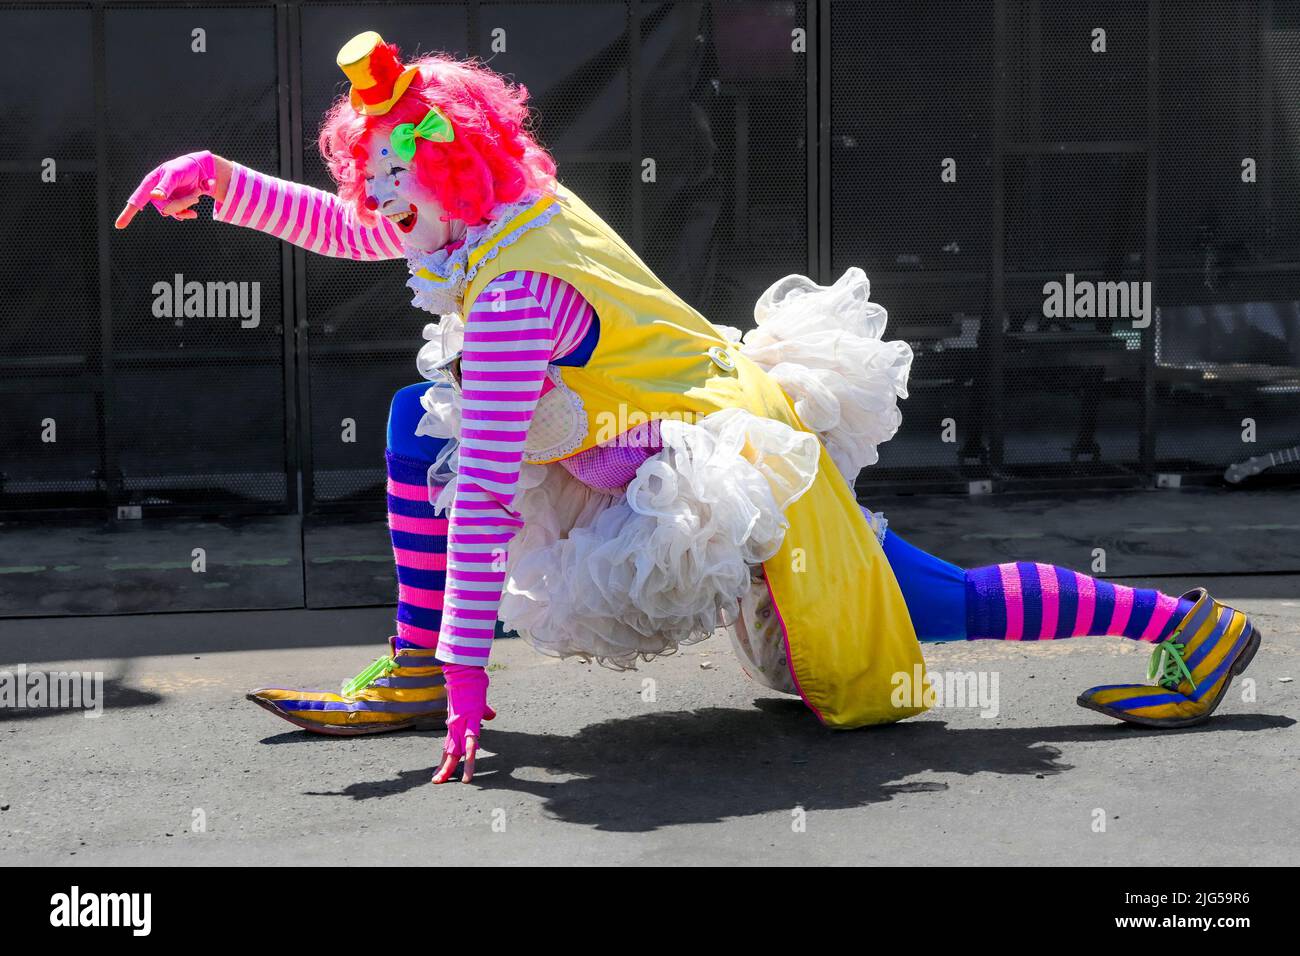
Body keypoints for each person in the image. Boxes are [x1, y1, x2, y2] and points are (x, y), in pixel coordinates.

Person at [117, 32, 1262, 785]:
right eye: (365, 182)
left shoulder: (516, 290)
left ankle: (1183, 625)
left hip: (722, 459)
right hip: (657, 435)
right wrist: (224, 181)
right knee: (422, 414)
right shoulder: (492, 199)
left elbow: (482, 506)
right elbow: (368, 231)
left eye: (390, 186)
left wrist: (471, 674)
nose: (371, 210)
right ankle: (411, 666)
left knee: (926, 601)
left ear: (448, 177)